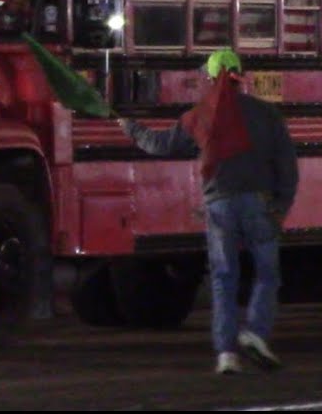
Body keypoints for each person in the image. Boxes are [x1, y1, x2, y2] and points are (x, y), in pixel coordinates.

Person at [119, 48, 299, 375]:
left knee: (223, 278)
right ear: (240, 77)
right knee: (267, 273)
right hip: (259, 203)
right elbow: (287, 165)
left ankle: (226, 354)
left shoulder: (200, 115)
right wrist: (281, 206)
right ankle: (256, 333)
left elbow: (160, 145)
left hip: (218, 205)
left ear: (211, 77)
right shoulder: (266, 114)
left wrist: (131, 128)